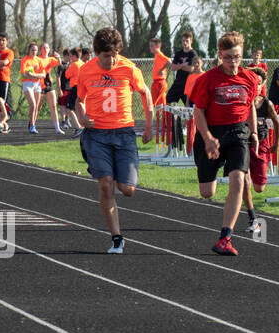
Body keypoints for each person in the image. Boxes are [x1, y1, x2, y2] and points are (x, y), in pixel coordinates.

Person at [74, 26, 153, 253]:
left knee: (127, 189)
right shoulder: (86, 71)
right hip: (96, 134)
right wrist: (81, 115)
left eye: (115, 54)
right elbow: (79, 99)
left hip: (124, 133)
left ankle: (120, 176)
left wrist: (150, 125)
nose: (111, 60)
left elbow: (145, 93)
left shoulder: (129, 68)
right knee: (106, 185)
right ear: (97, 53)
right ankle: (116, 237)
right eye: (106, 56)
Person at [190, 30, 261, 257]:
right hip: (211, 132)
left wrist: (255, 133)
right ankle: (215, 171)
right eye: (228, 57)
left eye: (237, 57)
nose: (233, 62)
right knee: (207, 192)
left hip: (238, 131)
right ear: (220, 55)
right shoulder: (207, 79)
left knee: (238, 179)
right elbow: (198, 111)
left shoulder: (250, 78)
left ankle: (225, 237)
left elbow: (249, 105)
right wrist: (209, 138)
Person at [243, 64, 276, 234]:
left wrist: (276, 143)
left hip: (261, 144)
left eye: (259, 82)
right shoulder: (243, 100)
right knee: (243, 181)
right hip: (243, 143)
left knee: (259, 188)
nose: (256, 85)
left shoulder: (266, 103)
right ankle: (252, 218)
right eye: (253, 82)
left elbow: (277, 122)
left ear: (263, 85)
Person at [18, 42, 47, 133]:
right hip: (27, 84)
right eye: (32, 50)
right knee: (33, 104)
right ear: (29, 50)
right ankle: (32, 125)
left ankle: (32, 124)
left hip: (37, 84)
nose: (34, 51)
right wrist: (33, 76)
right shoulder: (25, 60)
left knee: (36, 106)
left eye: (35, 50)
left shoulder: (39, 60)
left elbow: (43, 74)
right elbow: (23, 74)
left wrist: (32, 75)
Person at [168, 32, 197, 105]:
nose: (184, 42)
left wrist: (178, 66)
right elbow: (173, 68)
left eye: (187, 41)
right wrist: (183, 65)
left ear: (191, 41)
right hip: (178, 83)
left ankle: (190, 117)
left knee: (190, 106)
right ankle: (174, 117)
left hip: (188, 84)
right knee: (167, 100)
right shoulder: (178, 53)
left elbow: (191, 69)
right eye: (183, 41)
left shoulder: (192, 53)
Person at [148, 37, 170, 119]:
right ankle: (163, 122)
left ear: (158, 46)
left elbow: (169, 61)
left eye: (152, 46)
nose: (150, 48)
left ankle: (159, 121)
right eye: (150, 46)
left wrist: (162, 70)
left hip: (160, 83)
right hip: (158, 82)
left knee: (154, 103)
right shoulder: (156, 56)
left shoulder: (160, 55)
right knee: (161, 104)